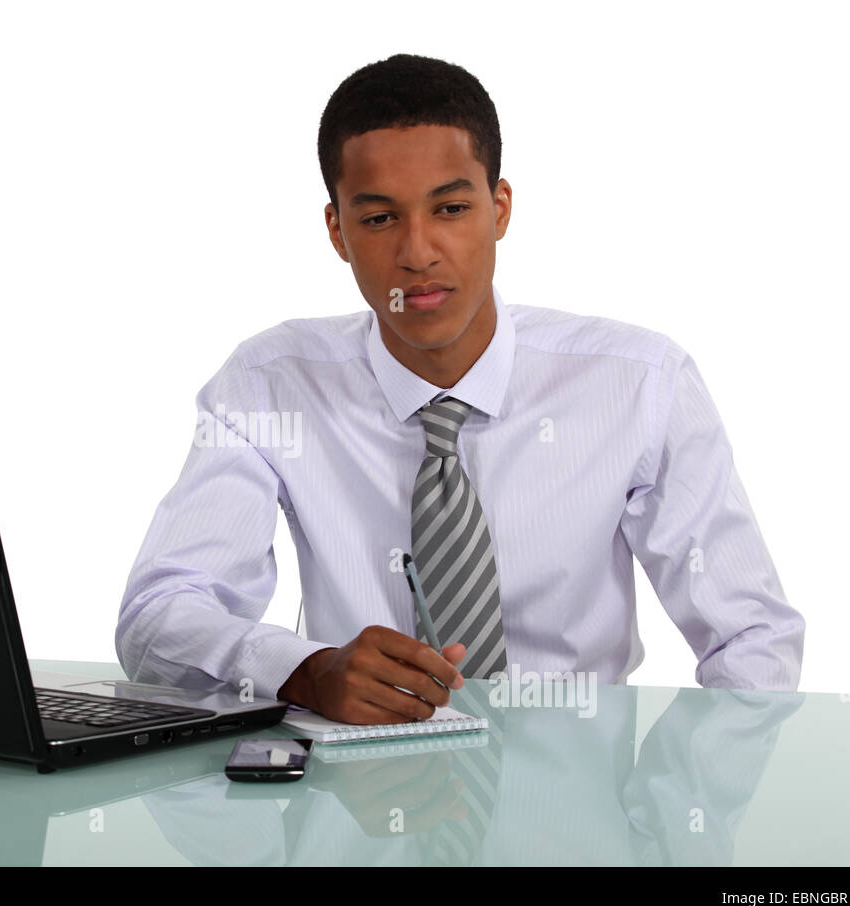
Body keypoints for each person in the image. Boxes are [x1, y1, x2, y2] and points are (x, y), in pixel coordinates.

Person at [114, 53, 805, 724]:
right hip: (357, 818)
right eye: (380, 218)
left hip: (575, 822)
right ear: (338, 231)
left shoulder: (641, 385)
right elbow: (158, 615)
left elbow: (750, 637)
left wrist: (670, 828)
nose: (417, 252)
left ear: (499, 209)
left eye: (449, 208)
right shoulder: (269, 388)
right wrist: (304, 671)